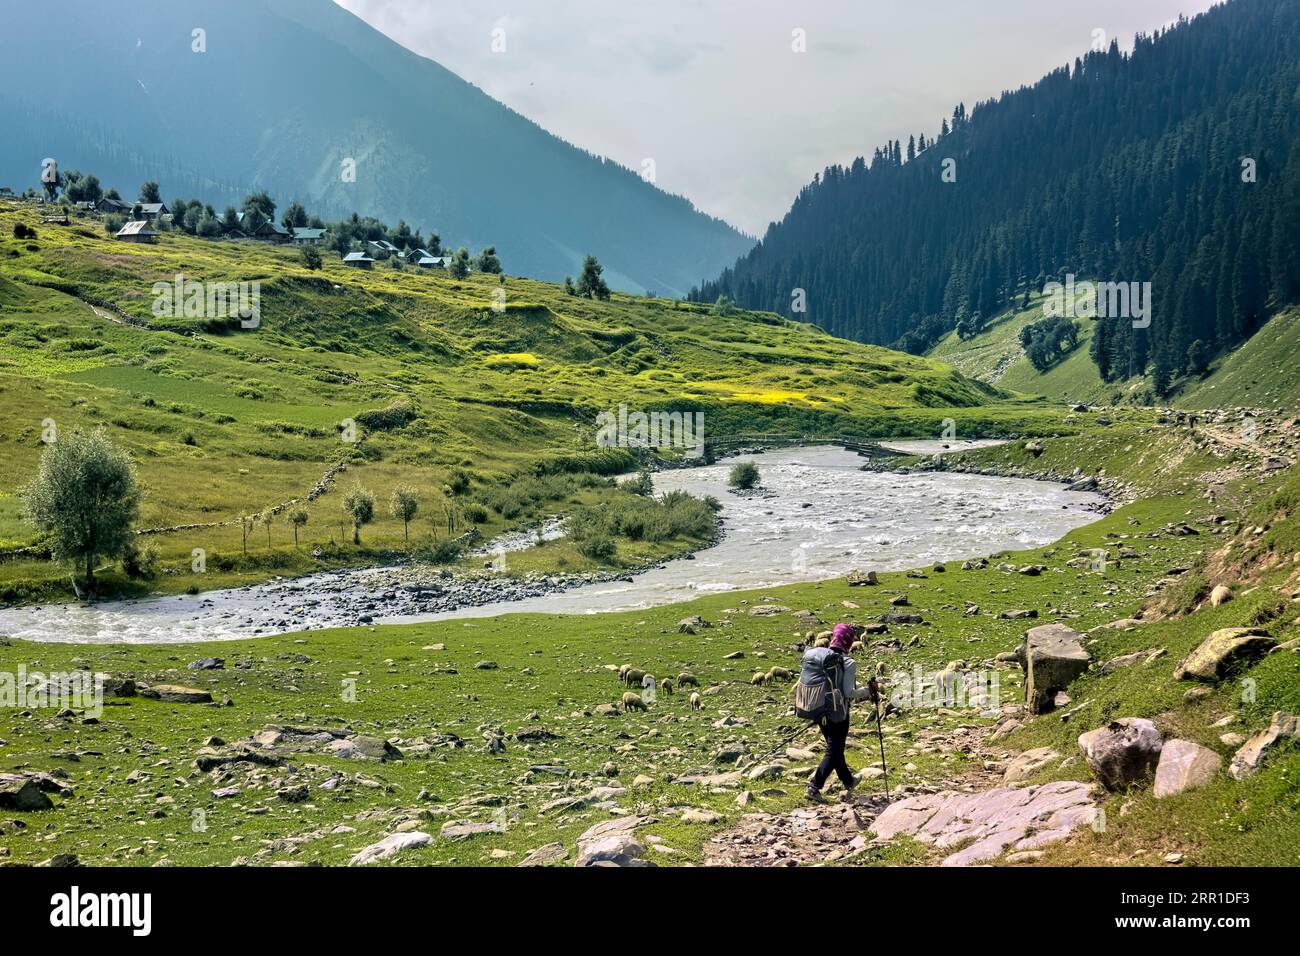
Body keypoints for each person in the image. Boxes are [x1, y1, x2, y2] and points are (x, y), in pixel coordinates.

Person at [802, 623, 879, 803]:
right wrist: (868, 691)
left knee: (836, 747)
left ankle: (848, 781)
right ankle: (814, 787)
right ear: (849, 640)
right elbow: (848, 693)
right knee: (834, 749)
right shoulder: (848, 662)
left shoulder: (820, 655)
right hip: (838, 712)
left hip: (819, 709)